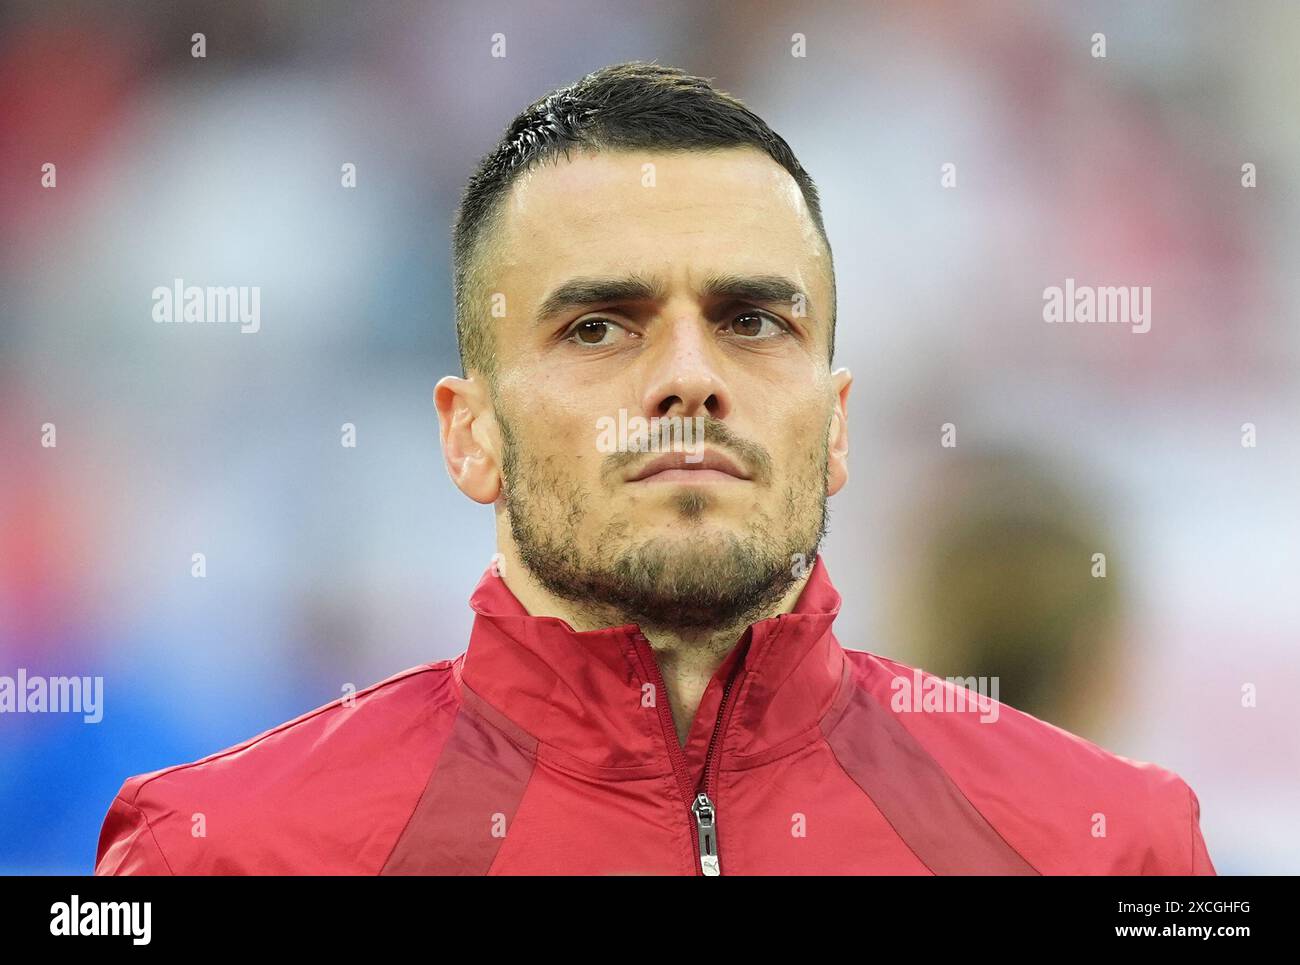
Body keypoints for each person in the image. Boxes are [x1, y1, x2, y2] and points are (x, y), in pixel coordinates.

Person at [95, 62, 1214, 875]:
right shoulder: (229, 851)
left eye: (752, 320)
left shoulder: (1112, 848)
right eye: (599, 326)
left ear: (834, 429)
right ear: (468, 433)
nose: (688, 377)